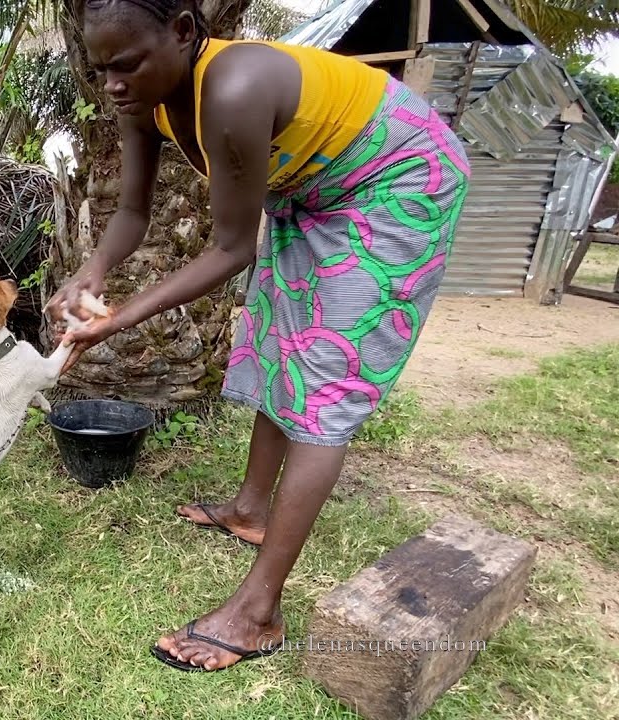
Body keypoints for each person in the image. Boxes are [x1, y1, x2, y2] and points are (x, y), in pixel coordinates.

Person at [47, 0, 469, 672]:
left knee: (328, 379)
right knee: (281, 342)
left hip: (397, 175)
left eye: (125, 65)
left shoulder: (235, 85)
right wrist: (91, 271)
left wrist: (120, 317)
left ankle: (258, 611)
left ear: (184, 32)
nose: (114, 84)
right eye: (102, 71)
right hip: (314, 187)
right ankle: (250, 508)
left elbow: (231, 247)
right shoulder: (141, 102)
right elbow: (131, 209)